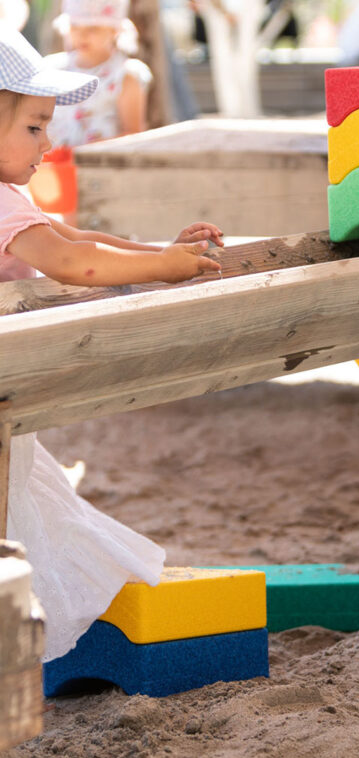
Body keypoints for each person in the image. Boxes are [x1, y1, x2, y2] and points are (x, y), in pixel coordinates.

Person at [0, 25, 222, 661]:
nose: (51, 141)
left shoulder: (11, 197)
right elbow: (72, 262)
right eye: (34, 127)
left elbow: (73, 235)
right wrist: (162, 270)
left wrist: (163, 252)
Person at [44, 0, 151, 147]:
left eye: (93, 28)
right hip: (50, 165)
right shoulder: (52, 68)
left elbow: (133, 135)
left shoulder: (125, 75)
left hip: (99, 165)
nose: (82, 35)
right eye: (75, 26)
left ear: (114, 30)